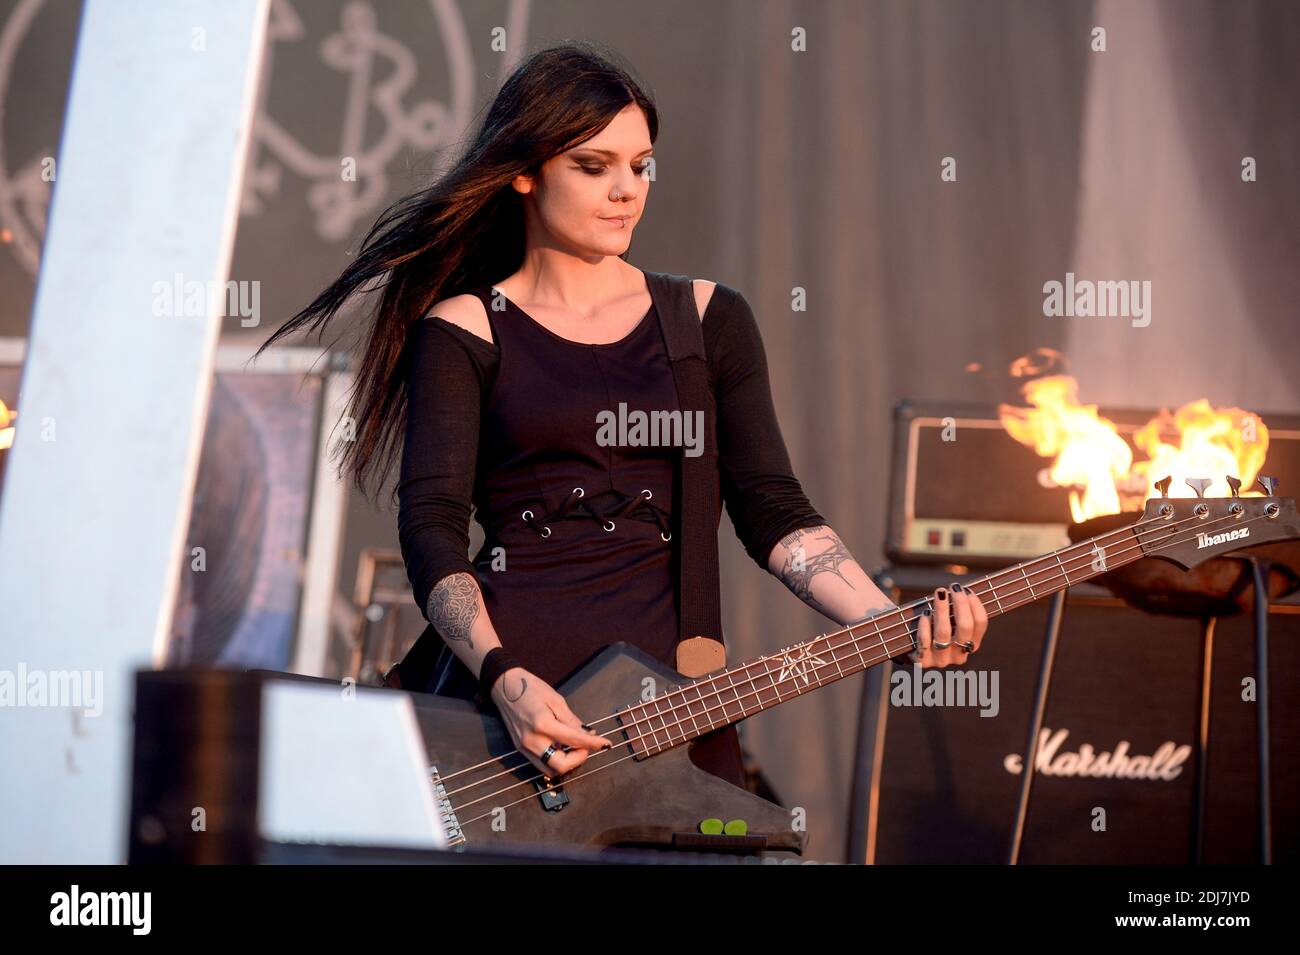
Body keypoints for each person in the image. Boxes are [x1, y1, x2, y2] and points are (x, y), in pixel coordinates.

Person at [254, 41, 988, 793]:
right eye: (593, 165)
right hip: (503, 717)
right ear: (524, 171)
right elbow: (431, 528)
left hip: (672, 706)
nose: (626, 190)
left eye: (640, 166)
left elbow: (774, 511)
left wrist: (890, 621)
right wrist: (506, 679)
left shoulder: (709, 319)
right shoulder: (467, 327)